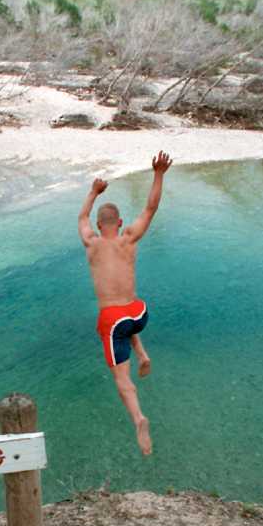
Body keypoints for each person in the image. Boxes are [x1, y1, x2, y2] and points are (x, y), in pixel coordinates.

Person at [78, 150, 172, 456]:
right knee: (127, 322)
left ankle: (138, 418)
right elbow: (150, 207)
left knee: (122, 379)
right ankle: (143, 354)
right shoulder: (129, 237)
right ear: (119, 222)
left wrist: (93, 192)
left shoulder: (91, 243)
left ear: (98, 224)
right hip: (139, 312)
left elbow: (80, 218)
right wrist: (158, 174)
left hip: (114, 318)